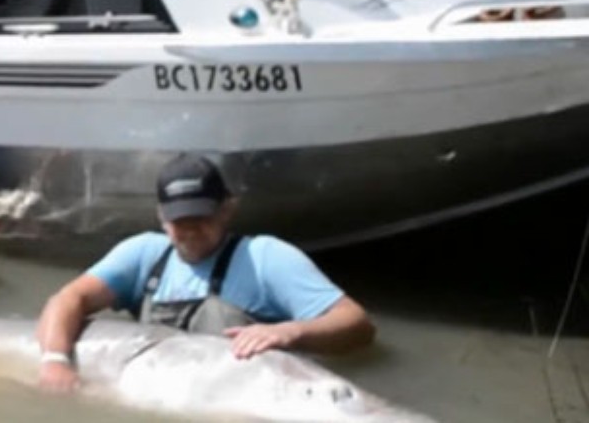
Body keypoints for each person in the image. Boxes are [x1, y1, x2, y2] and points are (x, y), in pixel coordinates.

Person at [34, 153, 375, 392]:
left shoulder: (266, 258)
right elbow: (67, 299)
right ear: (161, 216)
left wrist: (294, 331)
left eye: (201, 218)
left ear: (228, 209)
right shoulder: (144, 254)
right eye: (178, 221)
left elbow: (356, 324)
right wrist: (55, 361)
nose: (190, 230)